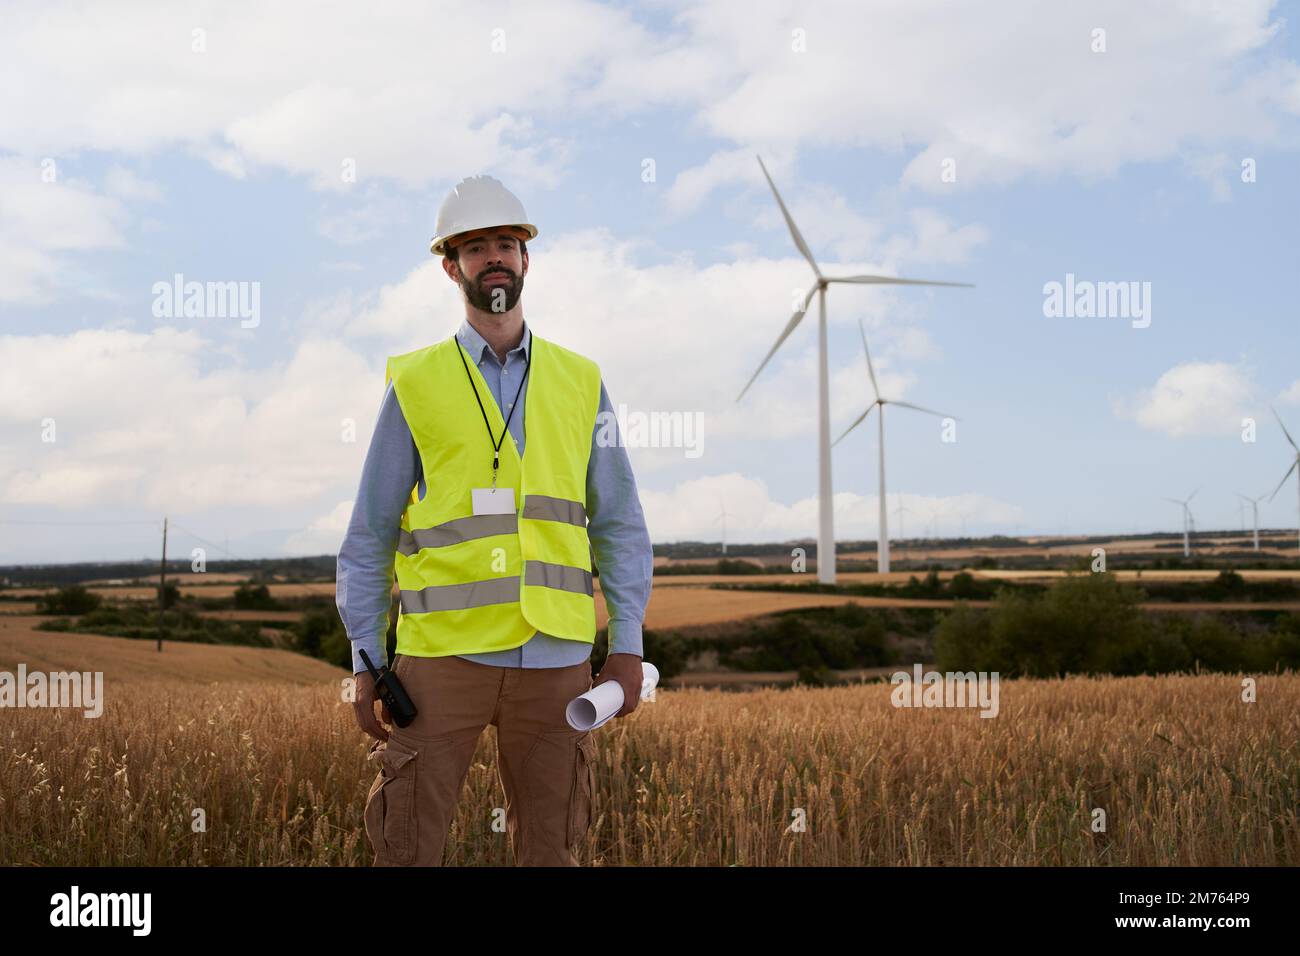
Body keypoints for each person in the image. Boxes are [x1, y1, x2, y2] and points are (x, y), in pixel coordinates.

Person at [336, 173, 653, 866]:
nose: (493, 258)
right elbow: (368, 537)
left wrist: (625, 647)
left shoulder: (581, 381)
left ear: (527, 257)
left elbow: (620, 526)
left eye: (505, 243)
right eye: (474, 248)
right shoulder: (416, 383)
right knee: (408, 847)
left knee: (551, 851)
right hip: (439, 662)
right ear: (451, 267)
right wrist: (366, 660)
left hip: (557, 661)